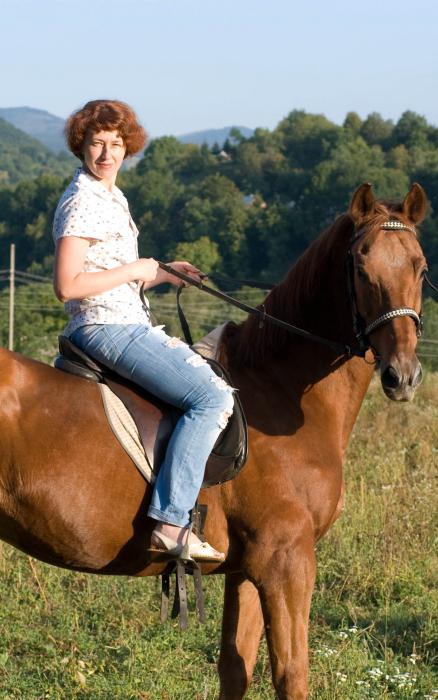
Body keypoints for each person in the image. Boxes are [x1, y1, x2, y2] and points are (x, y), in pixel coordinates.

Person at [53, 99, 234, 563]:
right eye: (97, 143)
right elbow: (68, 285)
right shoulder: (83, 200)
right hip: (107, 326)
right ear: (82, 146)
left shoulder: (111, 197)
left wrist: (164, 273)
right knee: (212, 397)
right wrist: (136, 267)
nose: (107, 153)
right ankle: (172, 522)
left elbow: (109, 269)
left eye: (116, 144)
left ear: (128, 147)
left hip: (123, 316)